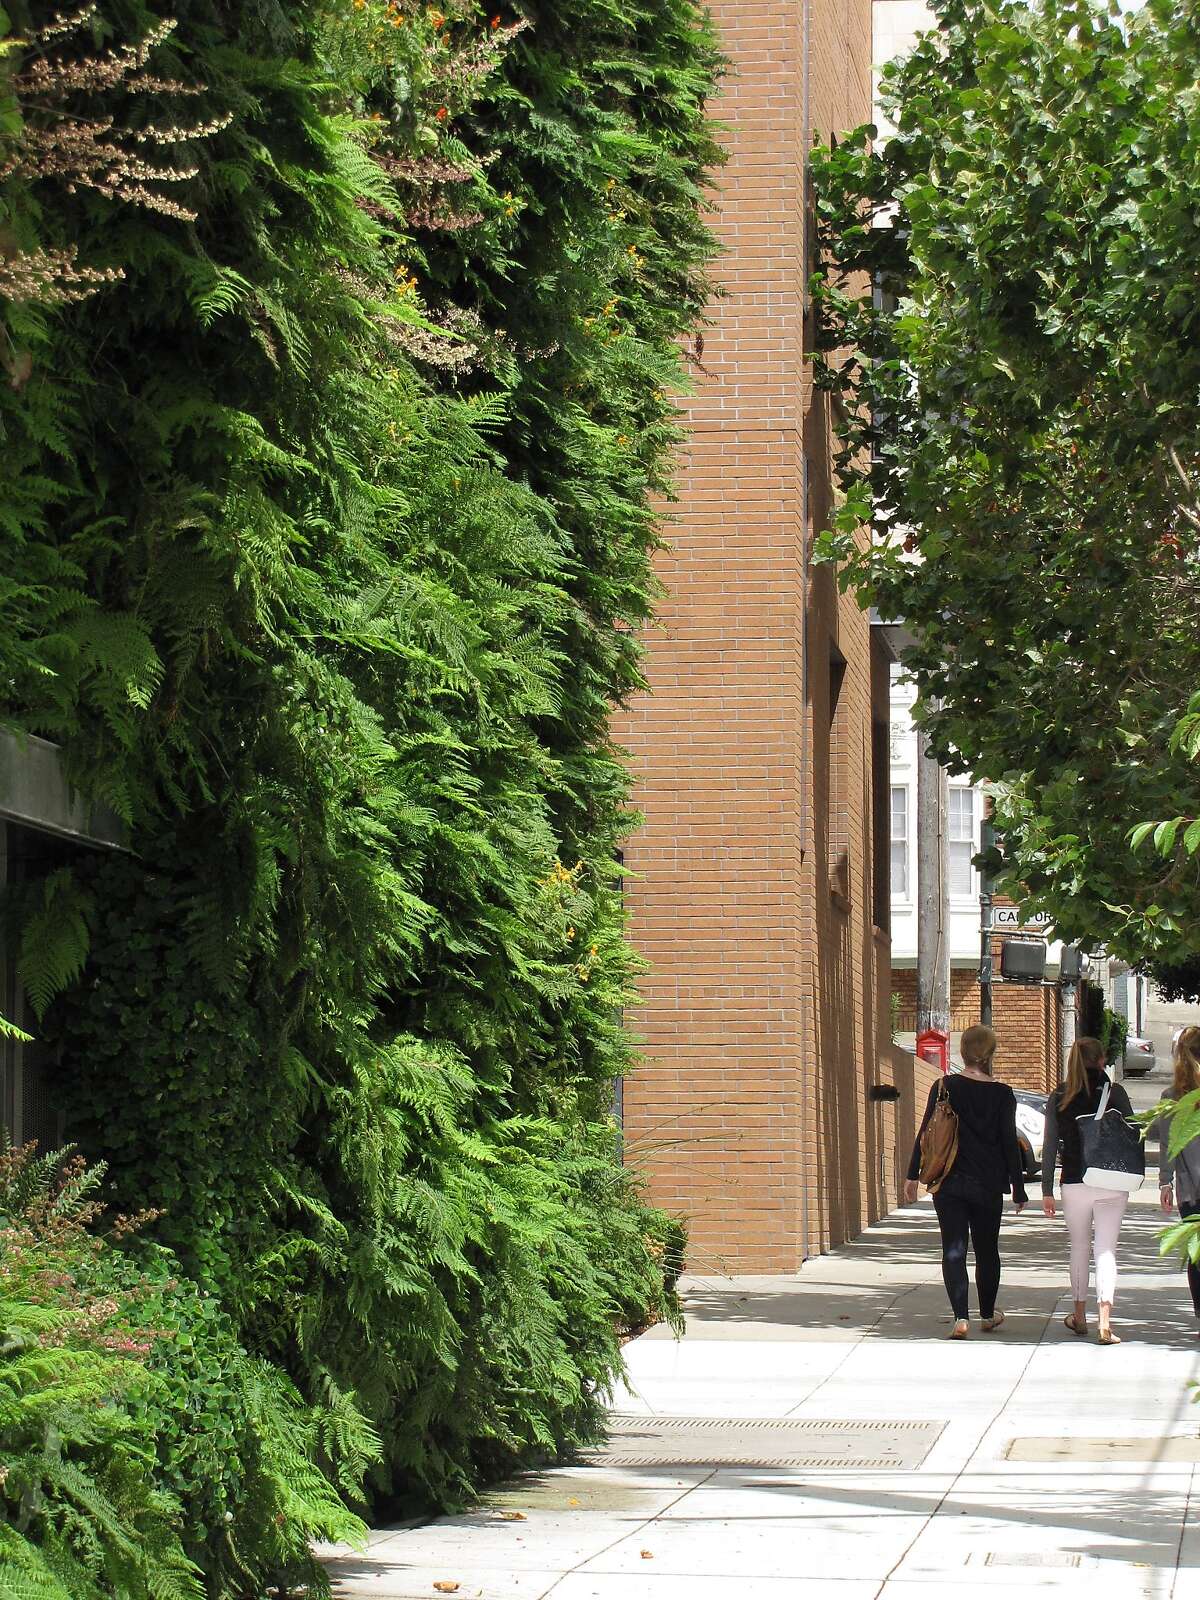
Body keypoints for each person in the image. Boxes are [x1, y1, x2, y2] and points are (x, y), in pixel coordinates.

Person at [903, 1024, 1027, 1339]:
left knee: (953, 1248)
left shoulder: (945, 1085)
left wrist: (912, 1174)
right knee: (987, 1250)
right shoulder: (1003, 1094)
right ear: (991, 1053)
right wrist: (1018, 1188)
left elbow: (927, 1132)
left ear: (963, 1052)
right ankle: (987, 1314)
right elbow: (1008, 1145)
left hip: (949, 1181)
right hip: (988, 1184)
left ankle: (961, 1317)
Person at [1042, 1036, 1135, 1344]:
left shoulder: (1060, 1095)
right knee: (1106, 1249)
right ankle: (1105, 1321)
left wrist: (1045, 1191)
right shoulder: (1115, 1092)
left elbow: (1050, 1144)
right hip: (1111, 1179)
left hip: (1074, 1180)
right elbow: (1135, 1132)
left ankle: (1079, 1316)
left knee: (1079, 1247)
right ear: (1101, 1059)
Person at [1155, 1026, 1200, 1333]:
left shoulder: (1171, 1097)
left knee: (1196, 1255)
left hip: (1190, 1188)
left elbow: (1167, 1143)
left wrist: (1165, 1181)